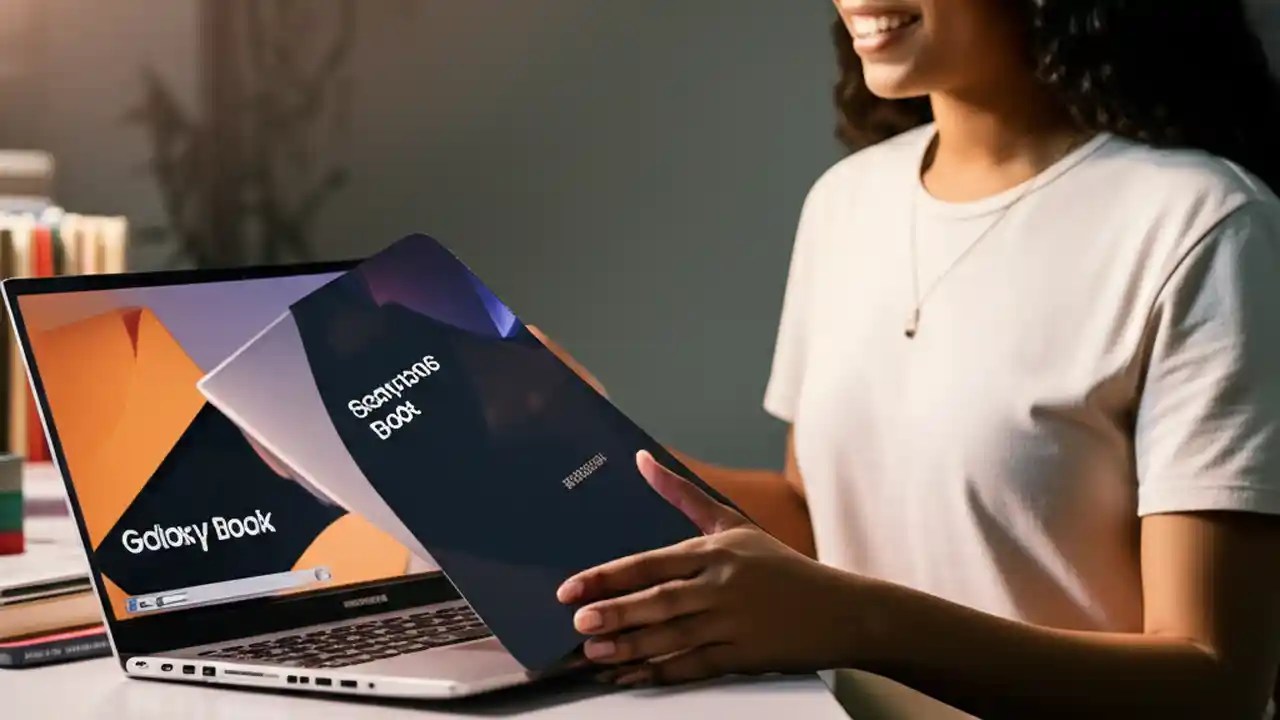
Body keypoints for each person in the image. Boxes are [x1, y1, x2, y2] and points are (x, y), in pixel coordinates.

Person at [535, 1, 1280, 717]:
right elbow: (819, 522)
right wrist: (585, 434)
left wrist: (857, 622)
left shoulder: (1201, 224)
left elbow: (1215, 684)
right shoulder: (847, 201)